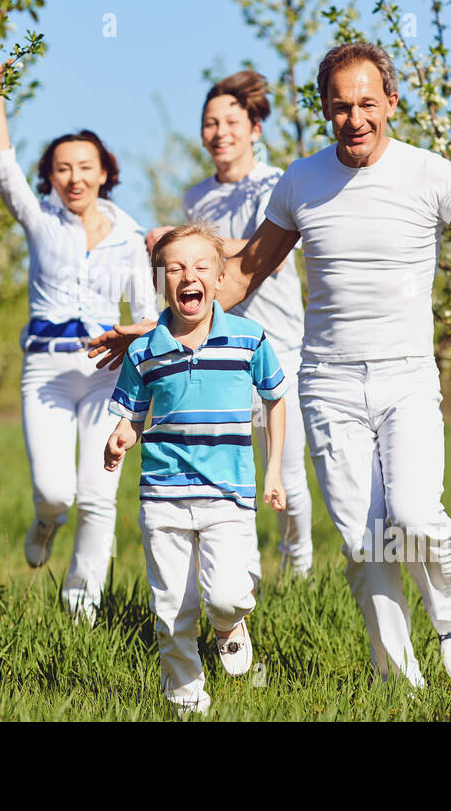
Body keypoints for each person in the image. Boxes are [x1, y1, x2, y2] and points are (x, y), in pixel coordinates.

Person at [92, 42, 451, 688]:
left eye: (367, 103)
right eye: (340, 106)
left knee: (416, 517)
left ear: (392, 103)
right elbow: (245, 274)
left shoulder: (429, 174)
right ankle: (400, 686)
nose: (355, 117)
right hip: (329, 383)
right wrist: (154, 332)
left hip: (404, 377)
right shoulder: (302, 182)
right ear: (324, 112)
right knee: (366, 544)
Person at [0, 34, 157, 624]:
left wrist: (133, 347)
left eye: (85, 167)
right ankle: (46, 520)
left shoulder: (133, 237)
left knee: (100, 498)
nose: (74, 178)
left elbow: (150, 313)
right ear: (49, 178)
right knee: (58, 491)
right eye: (61, 169)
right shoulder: (39, 221)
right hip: (47, 371)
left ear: (105, 173)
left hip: (106, 377)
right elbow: (3, 166)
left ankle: (81, 607)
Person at [103, 222, 287, 715]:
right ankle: (186, 696)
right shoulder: (144, 350)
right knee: (172, 608)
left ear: (220, 277)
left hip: (229, 493)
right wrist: (122, 437)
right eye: (177, 268)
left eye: (202, 266)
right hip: (162, 495)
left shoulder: (248, 339)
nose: (190, 275)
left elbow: (275, 398)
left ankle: (229, 624)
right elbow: (133, 414)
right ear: (161, 280)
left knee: (226, 596)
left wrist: (273, 471)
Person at [145, 70, 313, 576]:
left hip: (277, 339)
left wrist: (179, 241)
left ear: (255, 129)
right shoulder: (197, 197)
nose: (220, 132)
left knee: (283, 465)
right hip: (215, 347)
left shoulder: (279, 183)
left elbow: (274, 258)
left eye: (232, 122)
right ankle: (244, 570)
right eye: (210, 122)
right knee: (230, 462)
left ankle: (298, 558)